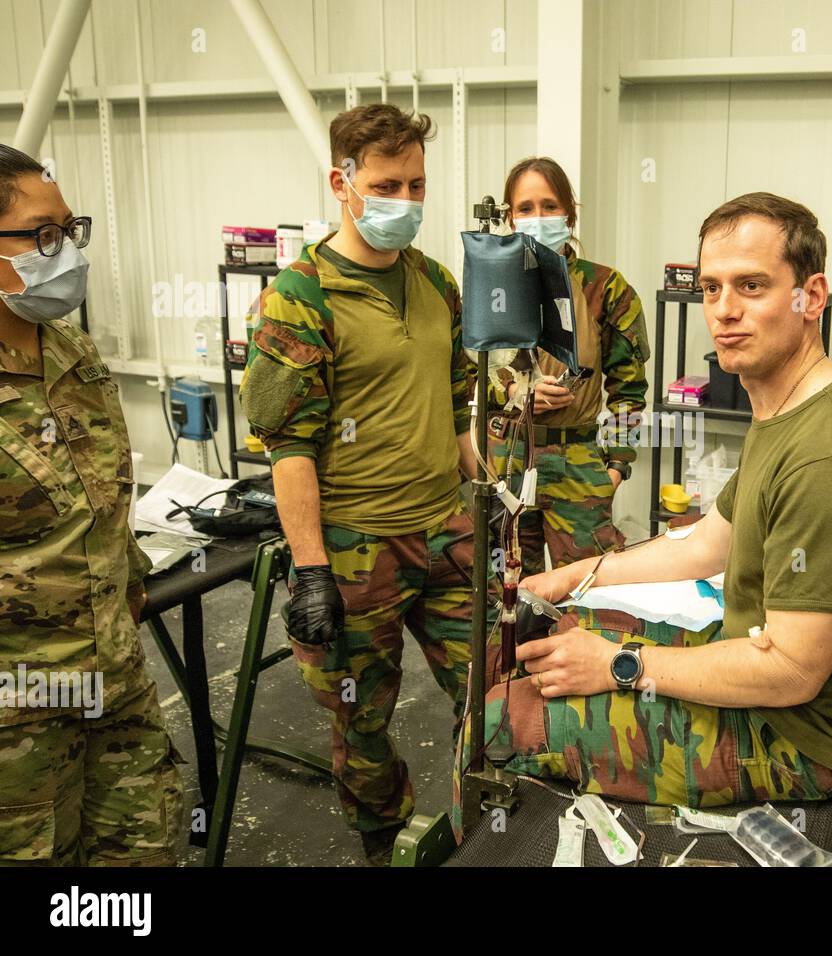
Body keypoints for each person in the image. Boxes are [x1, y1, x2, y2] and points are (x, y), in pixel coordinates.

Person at [457, 193, 832, 828]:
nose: (725, 311)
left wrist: (619, 666)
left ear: (811, 297)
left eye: (752, 285)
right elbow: (703, 544)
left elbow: (791, 671)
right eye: (711, 288)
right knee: (550, 639)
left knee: (497, 720)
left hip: (805, 741)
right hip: (768, 672)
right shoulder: (791, 408)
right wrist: (571, 580)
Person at [239, 104, 480, 865]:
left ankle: (485, 828)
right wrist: (310, 570)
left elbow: (457, 401)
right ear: (342, 183)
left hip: (446, 532)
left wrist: (493, 500)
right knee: (362, 724)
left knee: (495, 691)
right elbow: (291, 448)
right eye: (387, 184)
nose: (404, 202)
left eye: (416, 185)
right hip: (355, 550)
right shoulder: (300, 295)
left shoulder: (436, 281)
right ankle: (383, 846)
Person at [0, 143, 183, 865]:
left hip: (114, 682)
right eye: (43, 234)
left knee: (140, 858)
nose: (65, 252)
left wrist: (128, 585)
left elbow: (104, 504)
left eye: (71, 231)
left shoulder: (74, 352)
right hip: (18, 717)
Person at [487, 157, 648, 575]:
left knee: (584, 591)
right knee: (507, 594)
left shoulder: (605, 288)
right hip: (507, 456)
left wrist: (616, 464)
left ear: (569, 214)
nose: (537, 218)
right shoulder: (491, 286)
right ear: (508, 217)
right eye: (525, 209)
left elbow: (628, 390)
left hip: (577, 459)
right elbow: (464, 377)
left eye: (549, 206)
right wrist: (511, 392)